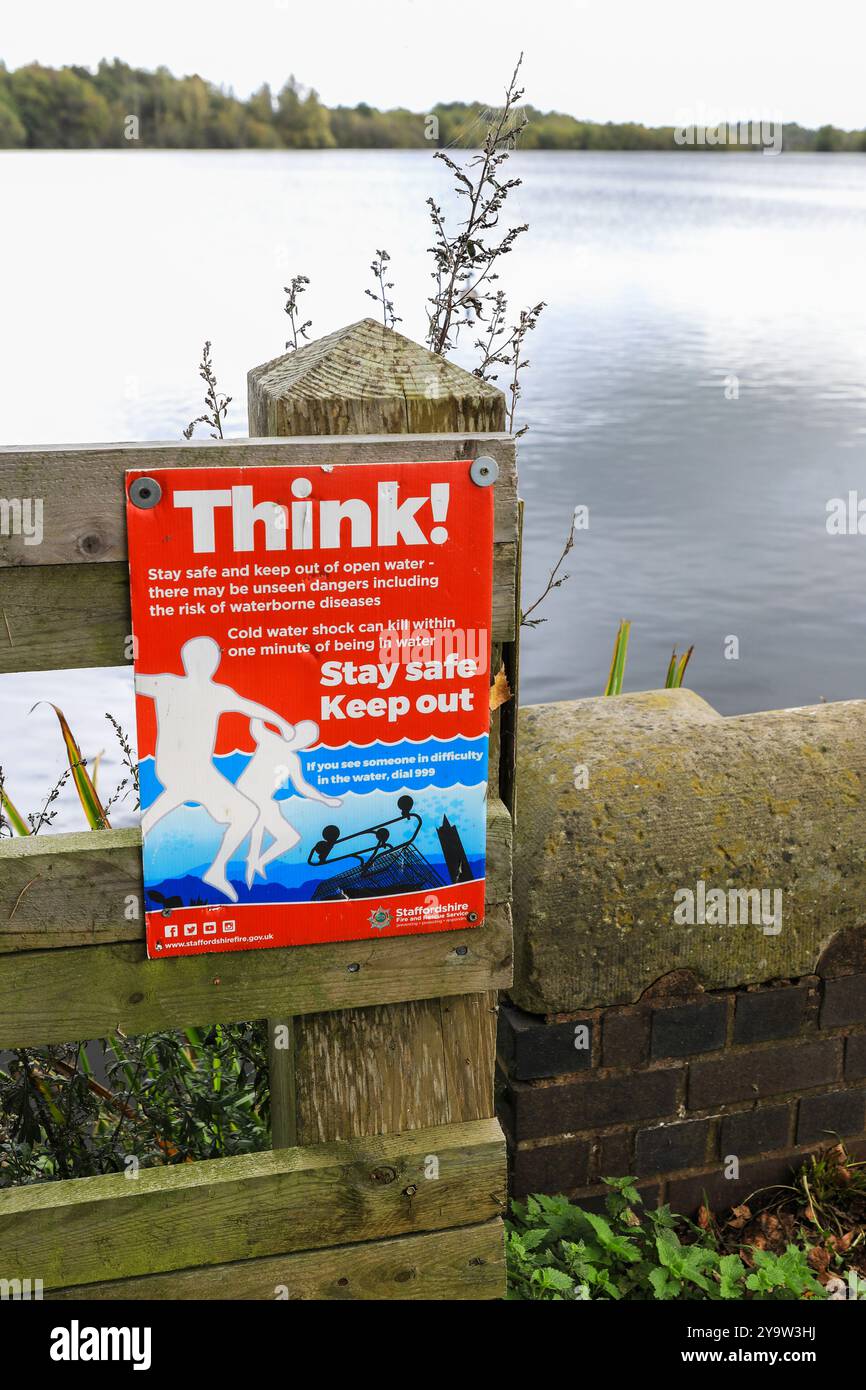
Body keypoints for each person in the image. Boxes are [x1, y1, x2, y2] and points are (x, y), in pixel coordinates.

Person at [136, 635, 296, 903]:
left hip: (195, 770)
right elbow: (132, 680)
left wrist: (282, 723)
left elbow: (250, 707)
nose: (208, 663)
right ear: (191, 661)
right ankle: (216, 869)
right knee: (241, 810)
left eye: (211, 658)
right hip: (181, 769)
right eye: (206, 658)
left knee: (238, 810)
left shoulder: (215, 693)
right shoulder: (168, 684)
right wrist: (283, 725)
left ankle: (215, 870)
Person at [235, 718, 341, 888]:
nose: (303, 742)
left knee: (291, 837)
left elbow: (302, 786)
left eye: (308, 740)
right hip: (246, 795)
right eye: (303, 736)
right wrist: (276, 720)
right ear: (294, 732)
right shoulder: (271, 741)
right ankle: (253, 858)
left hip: (263, 801)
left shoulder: (292, 760)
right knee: (262, 813)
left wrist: (325, 799)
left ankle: (259, 861)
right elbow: (256, 724)